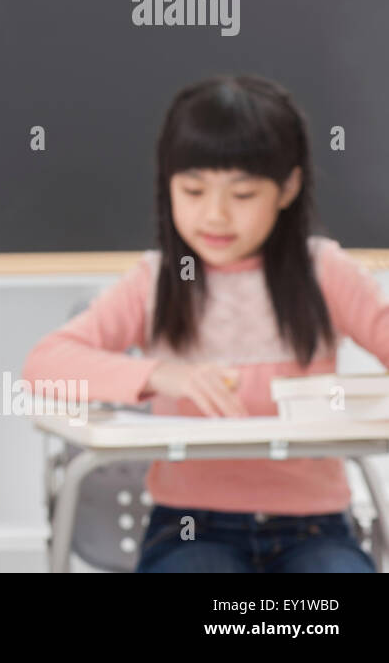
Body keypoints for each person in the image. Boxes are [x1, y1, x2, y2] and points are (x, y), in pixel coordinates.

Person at [23, 75, 386, 572]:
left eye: (242, 194)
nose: (214, 214)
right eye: (193, 190)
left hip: (314, 529)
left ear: (288, 188)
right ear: (166, 184)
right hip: (191, 529)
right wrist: (159, 375)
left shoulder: (324, 272)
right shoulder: (157, 281)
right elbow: (44, 366)